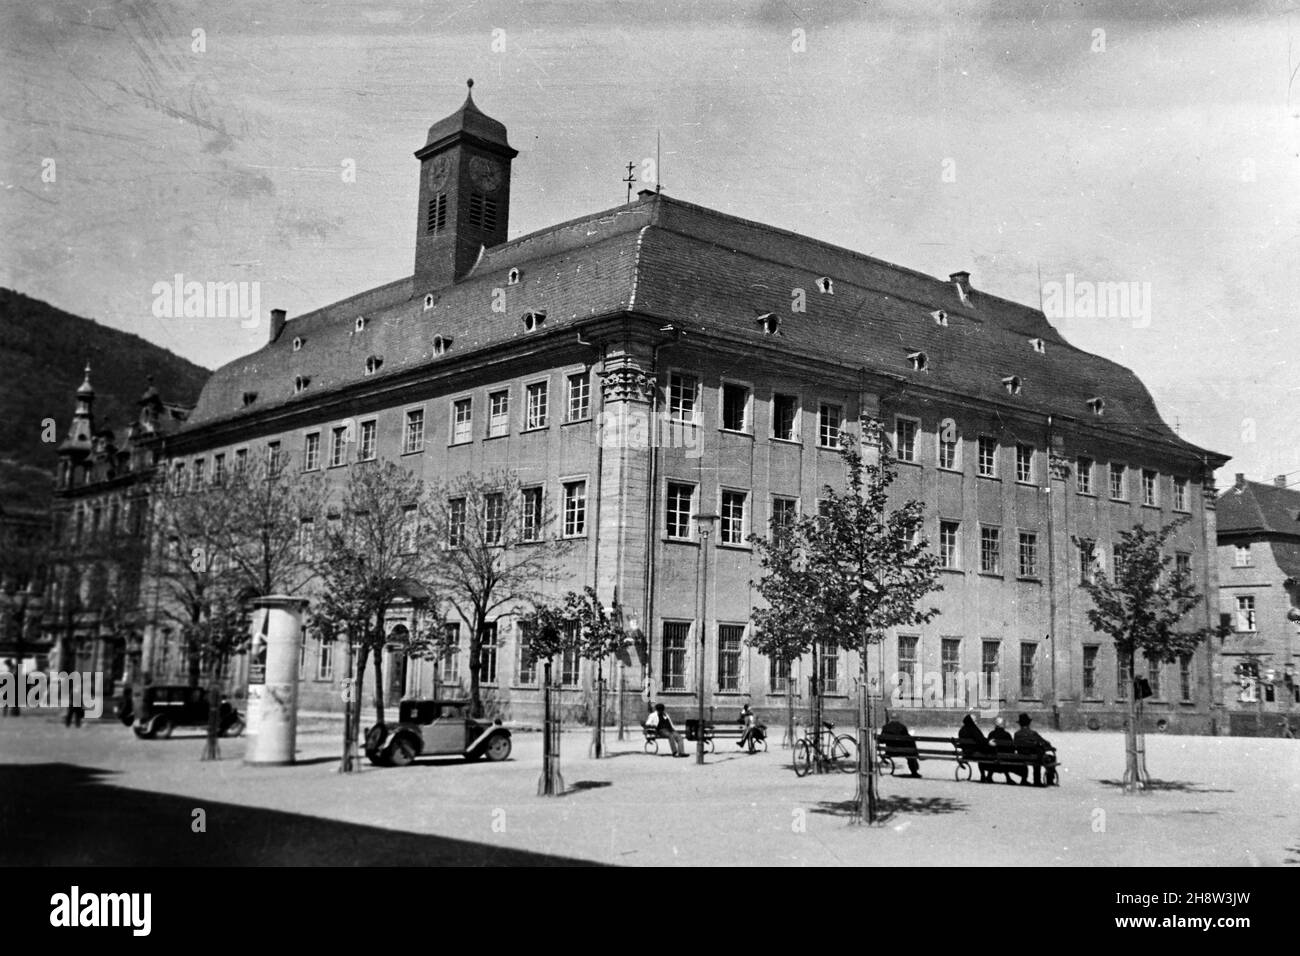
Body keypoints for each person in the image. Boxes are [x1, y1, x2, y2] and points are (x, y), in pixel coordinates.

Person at [1013, 713, 1057, 786]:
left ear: (1020, 724)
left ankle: (1024, 779)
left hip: (1022, 756)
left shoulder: (1017, 734)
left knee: (1036, 757)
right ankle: (1048, 780)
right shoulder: (1033, 733)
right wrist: (1049, 746)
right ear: (1028, 723)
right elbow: (1044, 742)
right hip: (1034, 757)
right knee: (1050, 758)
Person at [988, 716, 1027, 784]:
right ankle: (1023, 780)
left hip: (992, 761)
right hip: (1005, 761)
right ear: (1003, 725)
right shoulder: (1006, 735)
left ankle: (989, 776)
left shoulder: (991, 734)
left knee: (997, 754)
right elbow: (1011, 748)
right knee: (1006, 757)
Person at [957, 712, 994, 782]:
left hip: (966, 752)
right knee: (989, 752)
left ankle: (984, 776)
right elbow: (980, 739)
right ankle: (987, 776)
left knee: (984, 753)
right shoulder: (973, 728)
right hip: (974, 752)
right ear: (971, 721)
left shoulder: (962, 730)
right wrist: (988, 741)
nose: (976, 721)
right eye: (974, 720)